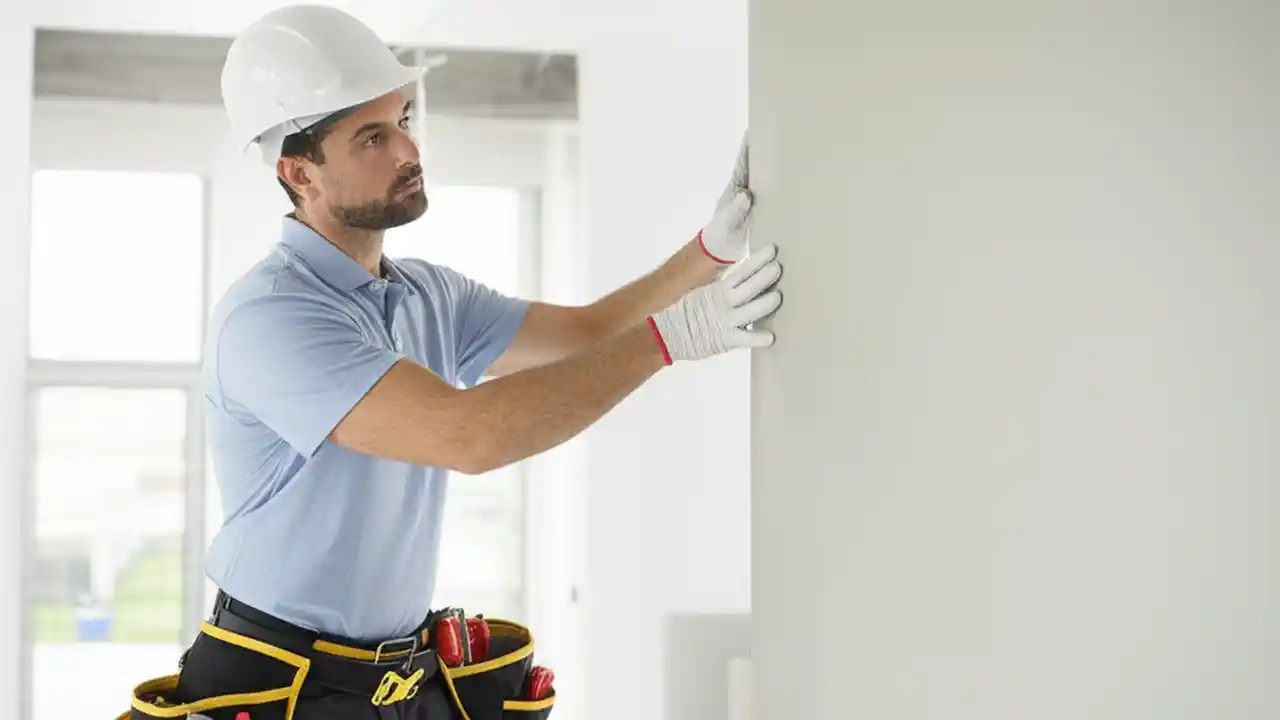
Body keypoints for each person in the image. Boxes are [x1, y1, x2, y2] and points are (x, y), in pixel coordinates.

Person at [149, 5, 782, 718]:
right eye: (372, 137)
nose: (408, 151)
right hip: (273, 677)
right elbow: (467, 436)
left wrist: (710, 252)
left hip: (392, 673)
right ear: (300, 173)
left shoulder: (427, 293)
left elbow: (587, 333)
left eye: (406, 121)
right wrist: (671, 338)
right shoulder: (272, 316)